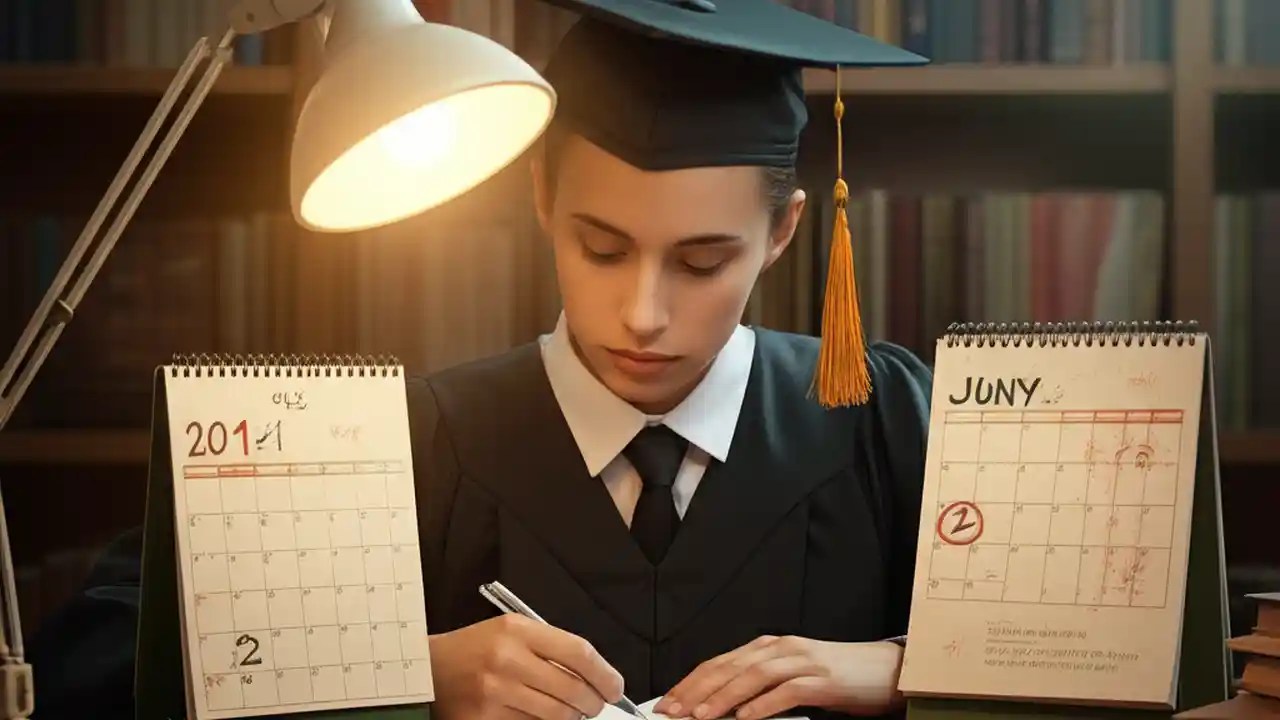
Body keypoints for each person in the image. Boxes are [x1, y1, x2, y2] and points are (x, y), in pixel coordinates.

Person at [412, 2, 933, 719]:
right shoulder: (427, 444)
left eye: (702, 262)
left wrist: (905, 672)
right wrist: (412, 677)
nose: (643, 315)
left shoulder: (884, 424)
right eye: (602, 250)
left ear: (782, 230)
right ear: (541, 196)